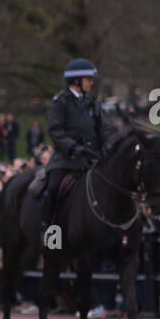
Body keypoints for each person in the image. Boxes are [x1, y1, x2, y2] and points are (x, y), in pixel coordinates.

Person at [41, 58, 114, 247]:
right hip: (67, 160)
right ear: (76, 81)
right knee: (53, 188)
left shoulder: (92, 102)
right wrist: (74, 147)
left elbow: (104, 127)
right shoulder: (60, 102)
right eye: (88, 79)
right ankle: (49, 232)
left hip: (92, 160)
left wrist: (108, 144)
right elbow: (56, 131)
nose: (91, 83)